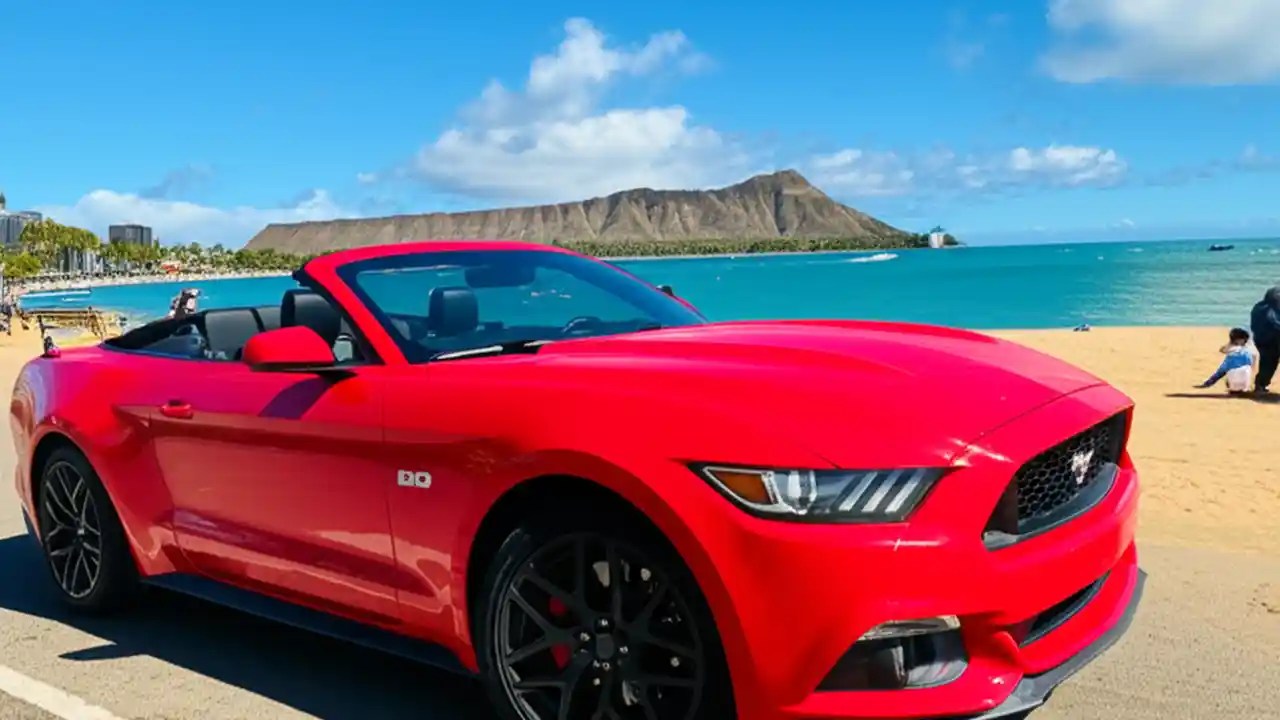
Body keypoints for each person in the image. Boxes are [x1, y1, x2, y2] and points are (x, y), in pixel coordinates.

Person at [1197, 327, 1257, 393]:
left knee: (1224, 370)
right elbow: (1252, 365)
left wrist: (1230, 343)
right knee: (1245, 369)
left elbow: (1222, 350)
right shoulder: (1249, 351)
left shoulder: (1231, 351)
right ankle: (1244, 387)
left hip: (1233, 383)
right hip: (1245, 384)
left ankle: (1209, 383)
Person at [1250, 286, 1280, 394]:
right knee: (1269, 363)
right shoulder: (1272, 309)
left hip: (1261, 340)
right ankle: (1261, 385)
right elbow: (1275, 324)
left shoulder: (1259, 307)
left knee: (1267, 363)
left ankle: (1260, 385)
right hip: (1271, 339)